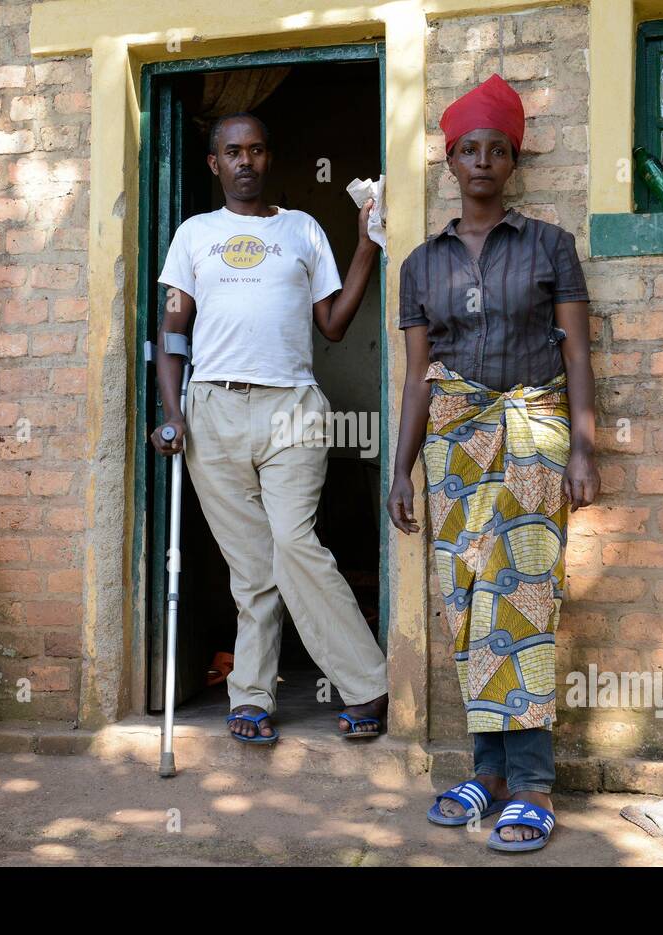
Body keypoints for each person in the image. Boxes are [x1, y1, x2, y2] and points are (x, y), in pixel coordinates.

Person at [388, 75, 600, 852]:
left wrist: (583, 446)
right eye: (469, 149)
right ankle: (489, 773)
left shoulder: (549, 246)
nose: (482, 161)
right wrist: (401, 468)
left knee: (525, 601)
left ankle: (534, 783)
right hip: (452, 445)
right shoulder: (420, 264)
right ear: (451, 161)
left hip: (534, 431)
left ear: (512, 162)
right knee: (469, 602)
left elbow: (577, 348)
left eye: (497, 150)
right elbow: (418, 376)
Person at [151, 112, 389, 744]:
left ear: (269, 157)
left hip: (293, 409)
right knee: (252, 571)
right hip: (213, 408)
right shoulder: (194, 235)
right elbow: (173, 329)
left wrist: (366, 243)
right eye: (232, 152)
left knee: (295, 544)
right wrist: (173, 415)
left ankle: (368, 684)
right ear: (214, 163)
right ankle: (251, 696)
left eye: (256, 149)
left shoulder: (303, 230)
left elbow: (333, 324)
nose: (245, 161)